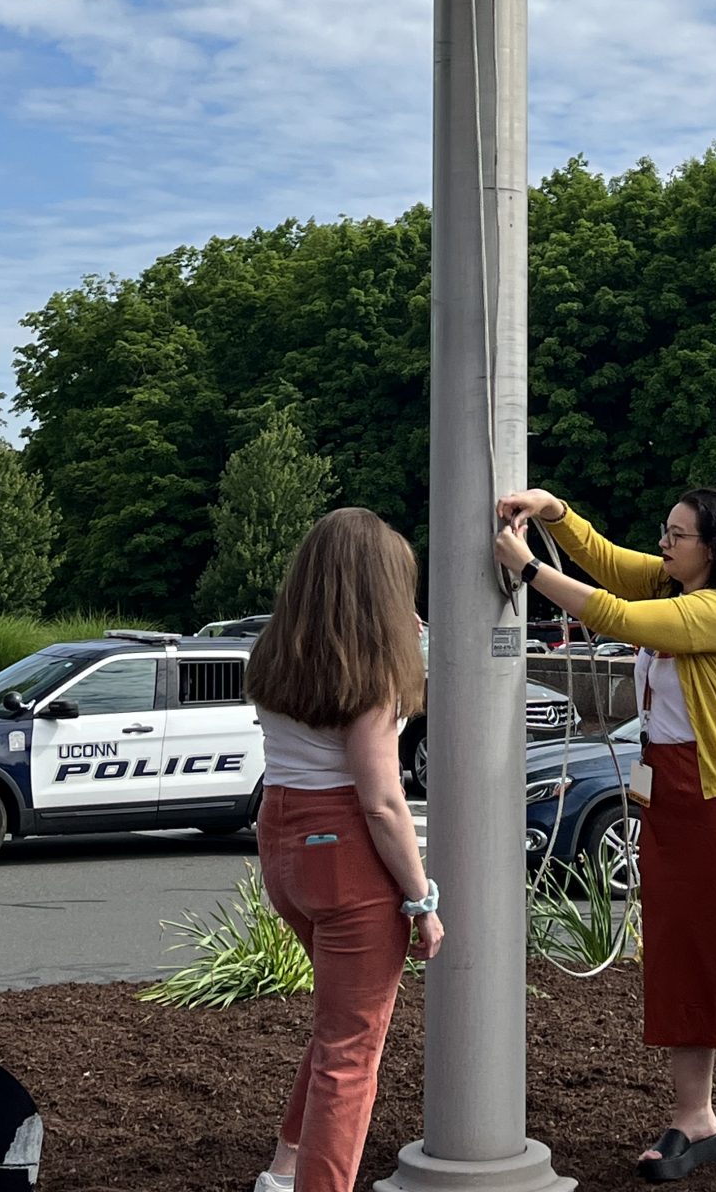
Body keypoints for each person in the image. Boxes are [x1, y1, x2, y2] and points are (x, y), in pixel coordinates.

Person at [494, 486, 716, 1182]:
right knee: (677, 956)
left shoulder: (715, 609)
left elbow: (616, 614)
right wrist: (555, 512)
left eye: (677, 535)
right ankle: (696, 1118)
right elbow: (606, 562)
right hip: (669, 804)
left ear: (712, 549)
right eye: (665, 530)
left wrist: (528, 569)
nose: (664, 543)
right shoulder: (674, 583)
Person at [245, 507, 443, 1192]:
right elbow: (383, 801)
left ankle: (284, 1171)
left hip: (282, 839)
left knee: (337, 1030)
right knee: (352, 1054)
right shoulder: (373, 671)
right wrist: (422, 900)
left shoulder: (275, 651)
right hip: (347, 856)